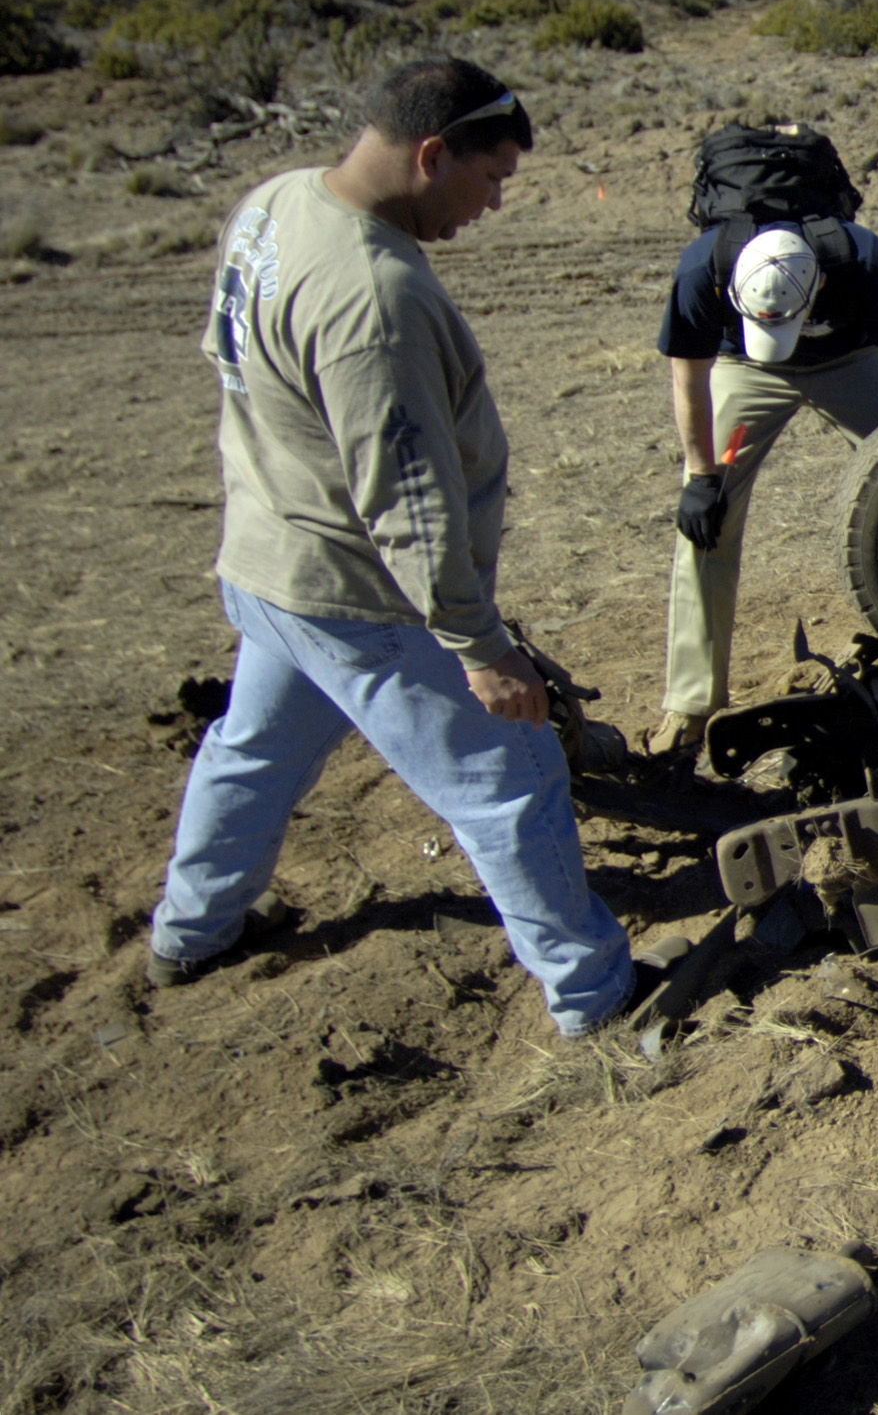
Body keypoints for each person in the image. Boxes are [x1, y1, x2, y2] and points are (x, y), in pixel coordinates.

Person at [150, 58, 635, 1036]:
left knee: (251, 753)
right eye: (490, 177)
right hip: (361, 596)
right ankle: (595, 996)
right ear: (431, 154)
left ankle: (190, 931)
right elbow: (407, 502)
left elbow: (230, 358)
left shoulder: (276, 203)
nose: (493, 204)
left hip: (270, 560)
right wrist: (480, 647)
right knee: (508, 782)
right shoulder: (375, 295)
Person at [647, 198, 878, 755]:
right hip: (746, 369)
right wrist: (702, 474)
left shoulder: (866, 260)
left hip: (847, 361)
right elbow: (689, 376)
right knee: (707, 518)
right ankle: (691, 703)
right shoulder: (702, 268)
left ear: (819, 282)